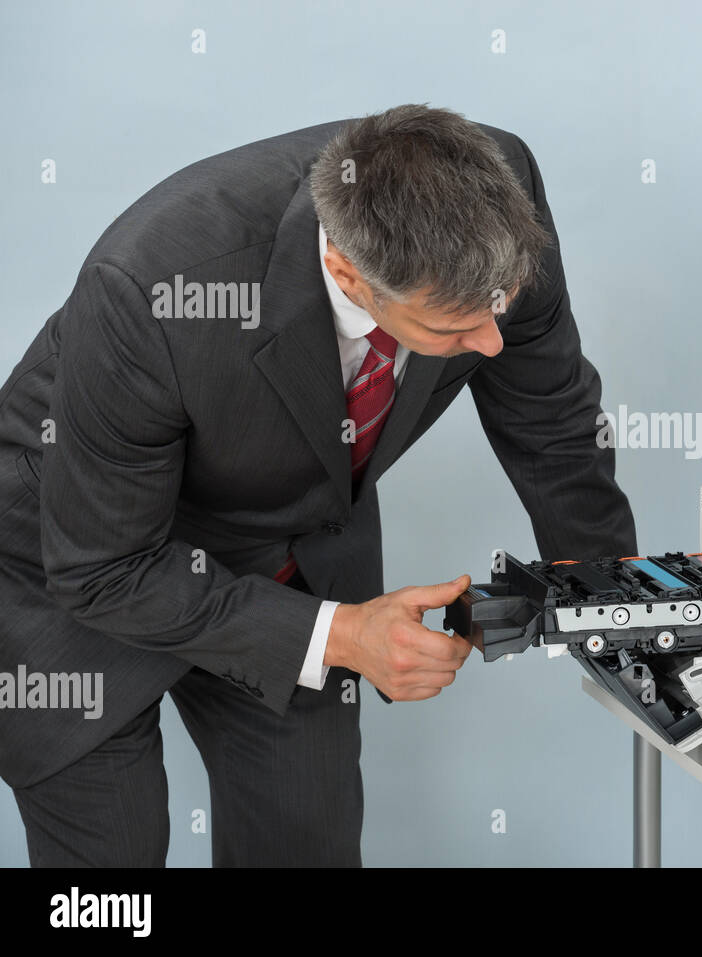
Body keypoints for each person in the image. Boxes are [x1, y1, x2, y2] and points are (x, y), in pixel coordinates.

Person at [0, 104, 638, 866]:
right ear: (348, 273)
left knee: (307, 847)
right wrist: (341, 634)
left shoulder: (498, 201)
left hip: (284, 552)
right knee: (110, 884)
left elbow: (550, 409)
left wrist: (608, 589)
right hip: (78, 566)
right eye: (454, 327)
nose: (493, 342)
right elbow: (101, 567)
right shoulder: (148, 286)